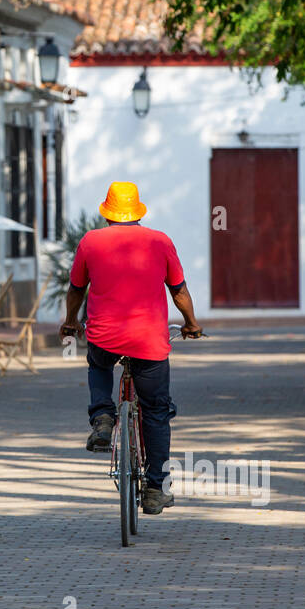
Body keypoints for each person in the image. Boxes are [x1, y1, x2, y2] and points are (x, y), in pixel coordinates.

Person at [58, 182, 202, 515]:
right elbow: (179, 291)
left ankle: (103, 417)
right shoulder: (160, 241)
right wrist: (191, 323)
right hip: (149, 343)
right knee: (156, 411)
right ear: (137, 211)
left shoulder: (90, 242)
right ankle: (155, 489)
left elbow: (76, 290)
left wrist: (70, 321)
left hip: (104, 338)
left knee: (98, 363)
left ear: (107, 212)